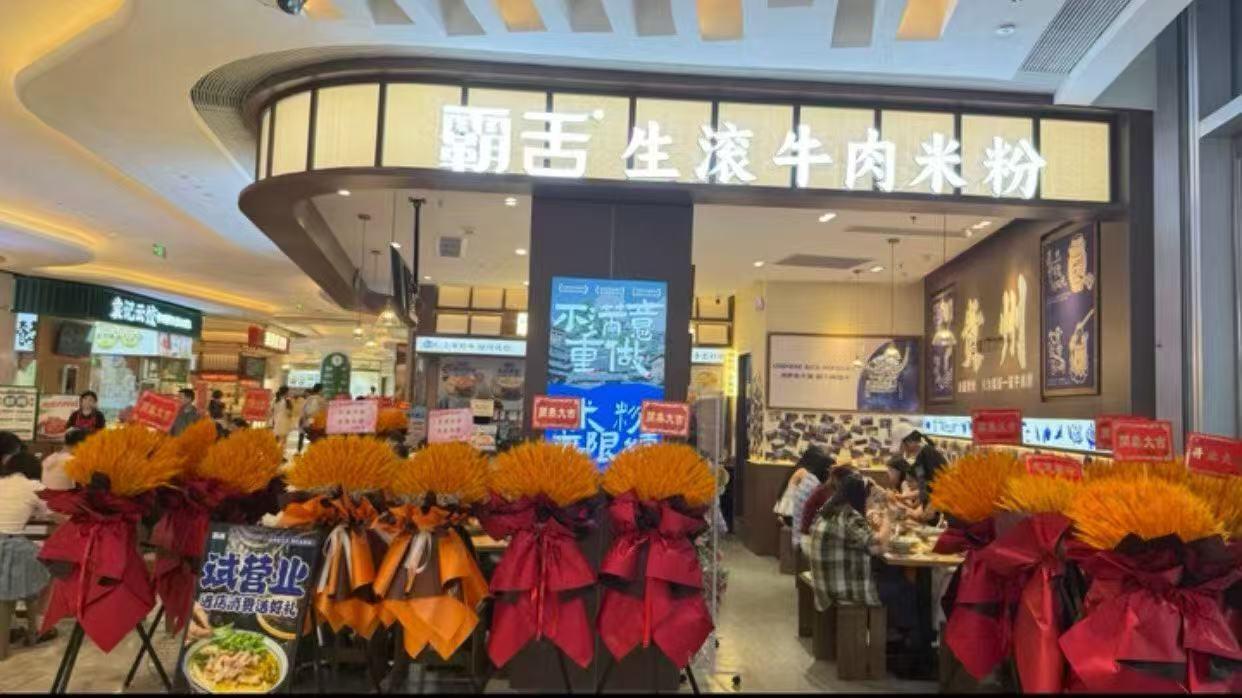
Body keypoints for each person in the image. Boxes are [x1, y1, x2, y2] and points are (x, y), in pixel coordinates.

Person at [806, 475, 892, 612]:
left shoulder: (830, 509)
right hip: (841, 588)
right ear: (860, 497)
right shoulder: (849, 515)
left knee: (889, 578)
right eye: (869, 498)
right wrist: (888, 516)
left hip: (825, 584)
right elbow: (879, 544)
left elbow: (870, 545)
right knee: (902, 588)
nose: (870, 502)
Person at [0, 431, 55, 645]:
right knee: (42, 567)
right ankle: (34, 629)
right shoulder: (33, 486)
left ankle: (14, 626)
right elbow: (58, 514)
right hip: (13, 545)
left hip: (11, 545)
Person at [888, 425, 948, 509]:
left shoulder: (928, 453)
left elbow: (935, 486)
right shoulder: (919, 458)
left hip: (942, 503)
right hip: (930, 504)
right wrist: (910, 503)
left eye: (902, 446)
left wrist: (906, 497)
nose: (903, 450)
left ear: (908, 442)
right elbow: (923, 487)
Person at [298, 384, 325, 452]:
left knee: (313, 439)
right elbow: (315, 411)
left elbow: (304, 410)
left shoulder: (309, 398)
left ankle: (311, 452)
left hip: (309, 422)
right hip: (317, 423)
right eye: (322, 390)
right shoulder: (319, 399)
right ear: (320, 390)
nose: (323, 391)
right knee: (316, 440)